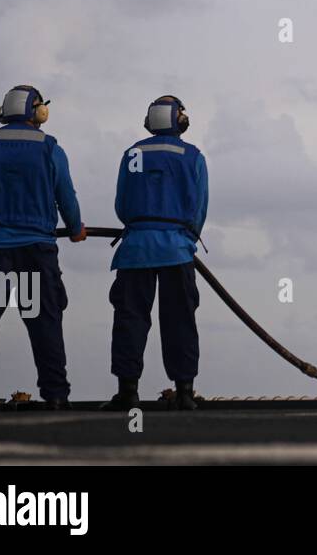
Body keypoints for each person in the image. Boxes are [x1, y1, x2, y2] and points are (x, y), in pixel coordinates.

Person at [0, 86, 86, 413]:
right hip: (37, 250)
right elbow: (66, 196)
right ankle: (56, 395)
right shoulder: (49, 147)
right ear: (38, 112)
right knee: (45, 322)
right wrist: (75, 228)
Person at [103, 96, 208, 412]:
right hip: (177, 250)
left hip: (135, 249)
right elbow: (199, 207)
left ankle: (127, 392)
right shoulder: (192, 156)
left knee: (130, 320)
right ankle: (185, 393)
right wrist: (185, 238)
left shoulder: (132, 154)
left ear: (150, 122)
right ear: (180, 121)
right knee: (180, 320)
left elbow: (122, 204)